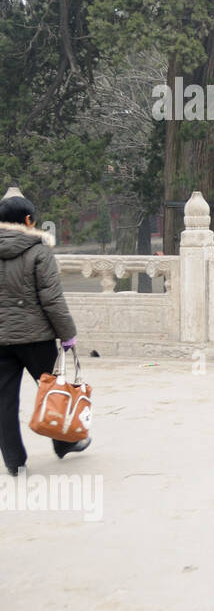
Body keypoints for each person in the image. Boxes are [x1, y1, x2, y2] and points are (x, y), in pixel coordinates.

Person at [0, 192, 87, 475]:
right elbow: (52, 299)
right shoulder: (39, 250)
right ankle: (63, 443)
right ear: (28, 220)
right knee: (54, 392)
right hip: (36, 338)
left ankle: (14, 463)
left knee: (4, 401)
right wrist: (68, 333)